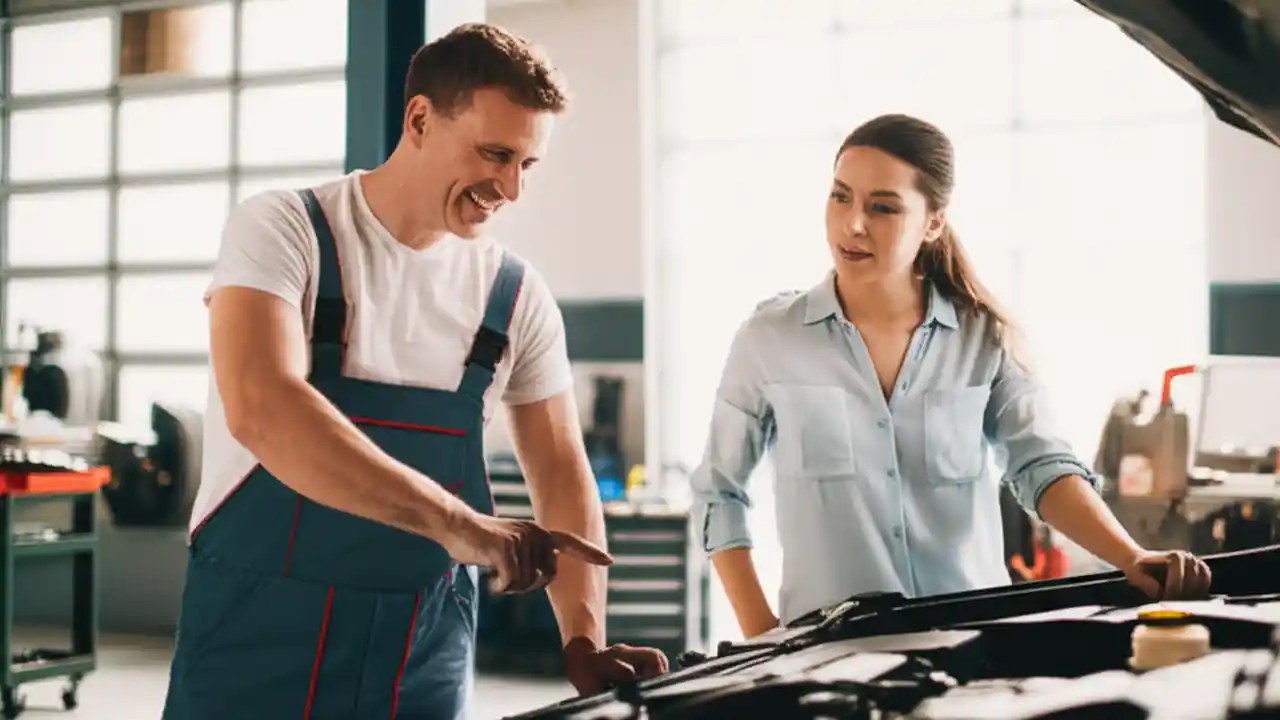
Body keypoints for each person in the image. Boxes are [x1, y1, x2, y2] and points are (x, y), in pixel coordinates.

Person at [162, 23, 667, 719]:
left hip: (420, 663)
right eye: (496, 154)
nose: (511, 190)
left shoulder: (514, 295)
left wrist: (583, 637)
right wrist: (459, 525)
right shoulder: (285, 230)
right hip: (254, 654)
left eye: (528, 163)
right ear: (421, 119)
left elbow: (559, 468)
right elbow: (263, 405)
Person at [688, 113, 1213, 639]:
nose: (852, 224)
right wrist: (763, 634)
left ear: (933, 222)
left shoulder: (982, 337)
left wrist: (1130, 555)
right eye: (840, 196)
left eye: (883, 207)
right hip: (828, 656)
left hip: (971, 647)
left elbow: (1042, 466)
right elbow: (718, 491)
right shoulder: (770, 339)